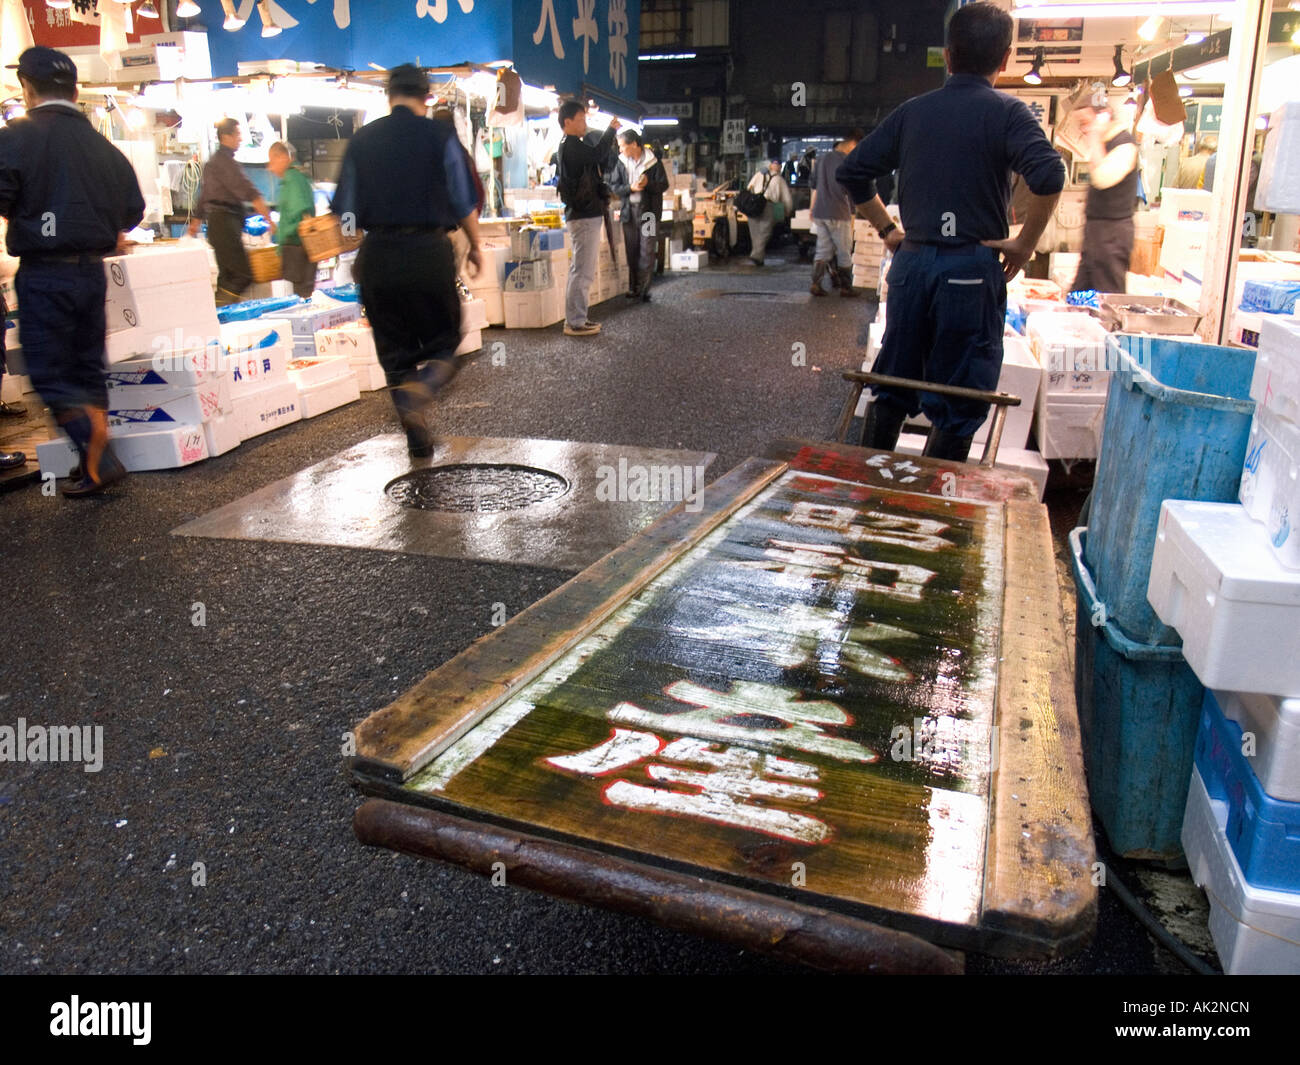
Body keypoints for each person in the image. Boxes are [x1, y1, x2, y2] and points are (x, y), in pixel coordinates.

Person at [837, 1, 1065, 462]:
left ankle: (860, 494)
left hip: (913, 264)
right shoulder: (1008, 113)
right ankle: (932, 506)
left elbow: (853, 172)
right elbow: (1050, 175)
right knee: (960, 400)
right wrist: (1025, 243)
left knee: (893, 383)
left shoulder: (913, 112)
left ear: (947, 55)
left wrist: (888, 230)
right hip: (970, 270)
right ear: (1004, 60)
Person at [0, 46, 145, 495]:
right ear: (75, 89)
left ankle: (97, 450)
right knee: (86, 367)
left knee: (48, 371)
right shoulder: (103, 145)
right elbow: (133, 210)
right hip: (91, 273)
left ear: (27, 87)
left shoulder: (16, 137)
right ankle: (93, 465)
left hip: (45, 274)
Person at [331, 64, 482, 460]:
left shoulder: (362, 140)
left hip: (378, 255)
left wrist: (360, 237)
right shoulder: (440, 135)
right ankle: (425, 387)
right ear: (426, 96)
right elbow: (463, 199)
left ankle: (417, 440)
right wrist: (477, 244)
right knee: (446, 342)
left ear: (388, 94)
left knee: (395, 356)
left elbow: (345, 214)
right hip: (427, 253)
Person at [188, 118, 275, 306]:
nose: (240, 139)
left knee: (228, 275)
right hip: (224, 223)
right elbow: (249, 191)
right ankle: (220, 310)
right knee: (242, 273)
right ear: (225, 137)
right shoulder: (225, 164)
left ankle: (221, 315)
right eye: (237, 134)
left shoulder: (214, 163)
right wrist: (270, 220)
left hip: (219, 224)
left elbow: (204, 195)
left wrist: (195, 222)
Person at [556, 101, 619, 336]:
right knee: (581, 271)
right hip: (583, 216)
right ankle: (575, 322)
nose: (585, 124)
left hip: (583, 215)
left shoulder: (571, 145)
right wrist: (611, 130)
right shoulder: (571, 146)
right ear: (567, 122)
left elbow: (600, 159)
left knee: (581, 270)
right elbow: (597, 153)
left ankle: (577, 318)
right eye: (581, 119)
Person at [1069, 100, 1139, 295]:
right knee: (1079, 294)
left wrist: (1094, 136)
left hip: (1112, 234)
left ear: (1105, 115)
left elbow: (1101, 177)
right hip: (1096, 232)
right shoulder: (1105, 144)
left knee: (1107, 298)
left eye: (1086, 121)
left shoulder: (1125, 145)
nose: (1083, 129)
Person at [610, 129, 669, 302]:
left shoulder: (653, 162)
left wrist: (648, 183)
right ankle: (633, 287)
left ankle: (644, 289)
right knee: (632, 250)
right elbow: (614, 186)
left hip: (649, 213)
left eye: (622, 146)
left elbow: (663, 185)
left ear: (634, 144)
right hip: (629, 213)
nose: (620, 150)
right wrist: (630, 188)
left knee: (647, 251)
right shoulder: (620, 163)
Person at [809, 128, 864, 297]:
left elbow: (814, 186)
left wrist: (812, 208)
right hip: (839, 212)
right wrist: (854, 213)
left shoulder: (821, 159)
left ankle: (816, 284)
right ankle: (846, 287)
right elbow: (851, 190)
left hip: (820, 211)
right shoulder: (847, 162)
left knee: (823, 249)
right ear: (852, 144)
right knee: (844, 250)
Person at [265, 142, 316, 299]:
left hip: (298, 248)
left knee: (303, 297)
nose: (271, 168)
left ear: (282, 158)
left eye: (272, 162)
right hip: (301, 248)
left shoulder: (293, 178)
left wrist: (283, 234)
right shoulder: (297, 175)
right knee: (303, 295)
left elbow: (300, 210)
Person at [744, 159, 793, 266]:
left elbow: (749, 187)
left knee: (755, 232)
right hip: (769, 206)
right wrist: (788, 211)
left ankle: (758, 256)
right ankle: (756, 256)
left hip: (754, 204)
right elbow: (787, 199)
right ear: (779, 167)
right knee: (765, 232)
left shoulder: (758, 174)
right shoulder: (780, 180)